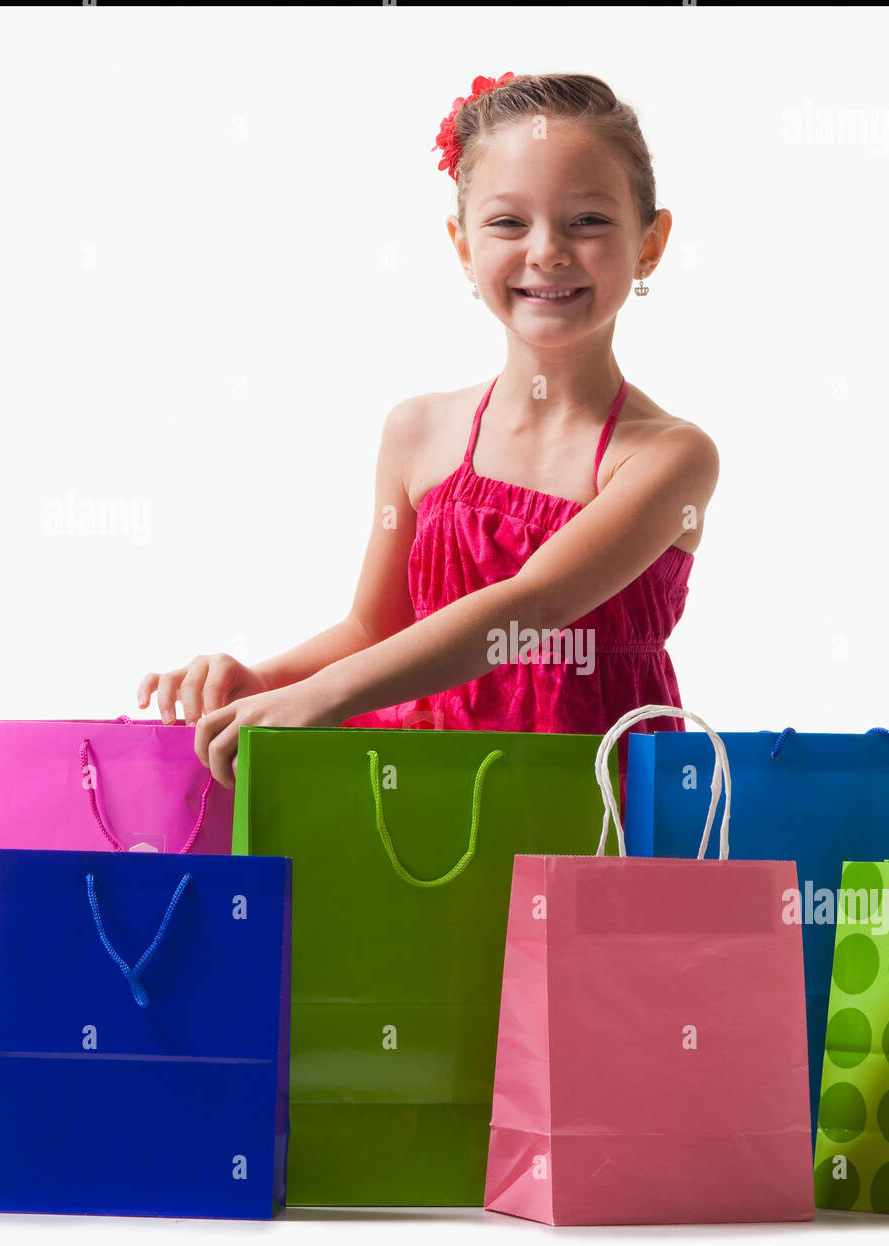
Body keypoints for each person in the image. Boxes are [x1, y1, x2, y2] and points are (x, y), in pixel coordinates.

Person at [137, 72, 719, 807]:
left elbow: (530, 607)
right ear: (461, 246)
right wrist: (266, 683)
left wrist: (327, 694)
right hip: (420, 801)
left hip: (598, 802)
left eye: (588, 221)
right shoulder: (417, 432)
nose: (547, 251)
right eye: (508, 223)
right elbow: (372, 629)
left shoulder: (668, 456)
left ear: (651, 243)